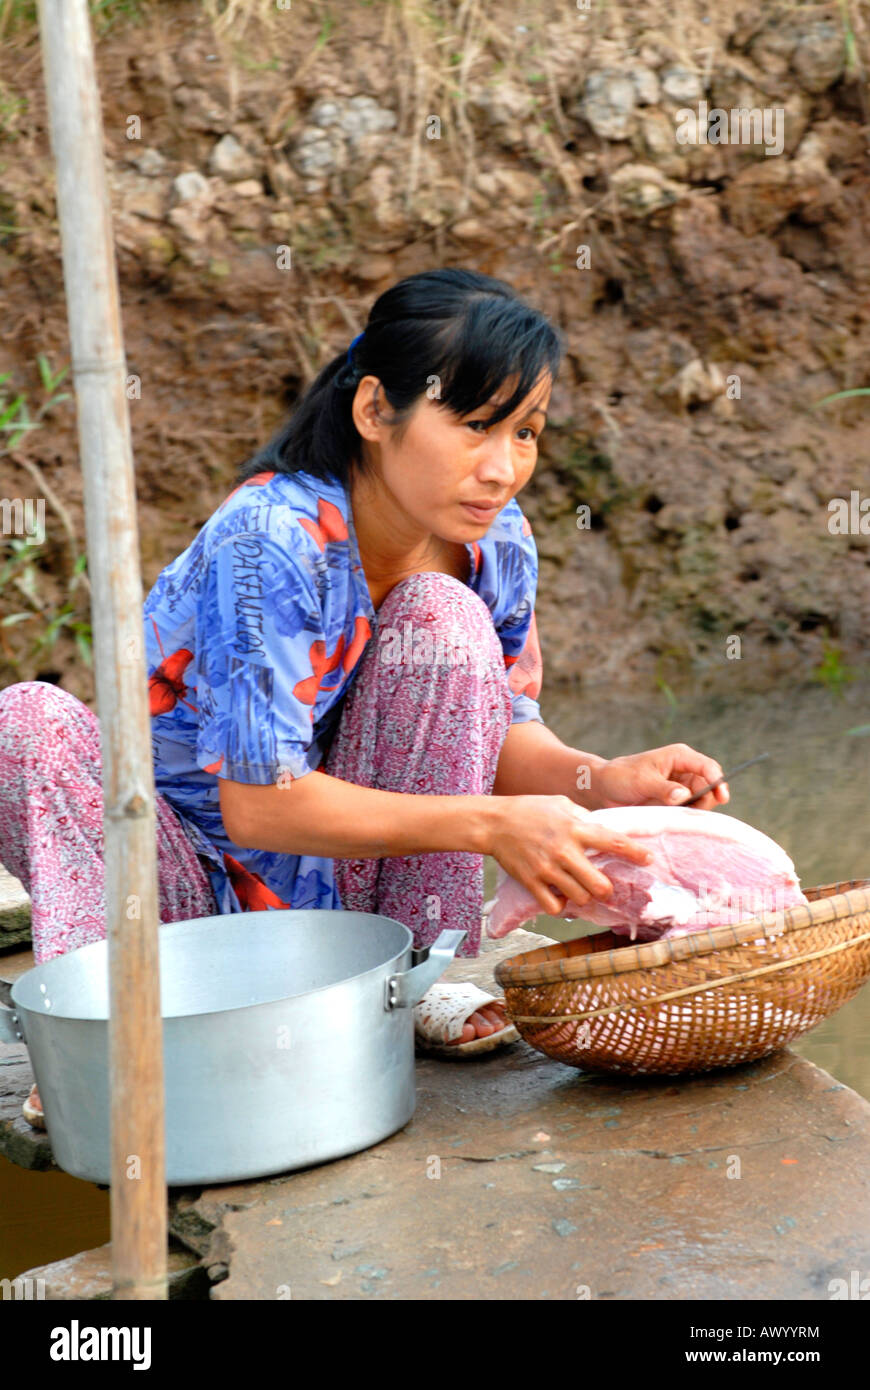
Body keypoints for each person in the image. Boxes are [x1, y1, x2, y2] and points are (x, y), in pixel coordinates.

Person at [0, 267, 728, 1125]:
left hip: (350, 913)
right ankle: (108, 1027)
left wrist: (599, 782)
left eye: (527, 433)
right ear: (377, 411)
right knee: (25, 722)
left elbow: (502, 732)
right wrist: (491, 825)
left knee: (444, 618)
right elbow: (260, 809)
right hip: (184, 913)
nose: (504, 469)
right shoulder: (269, 541)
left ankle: (414, 978)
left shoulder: (493, 542)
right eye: (477, 425)